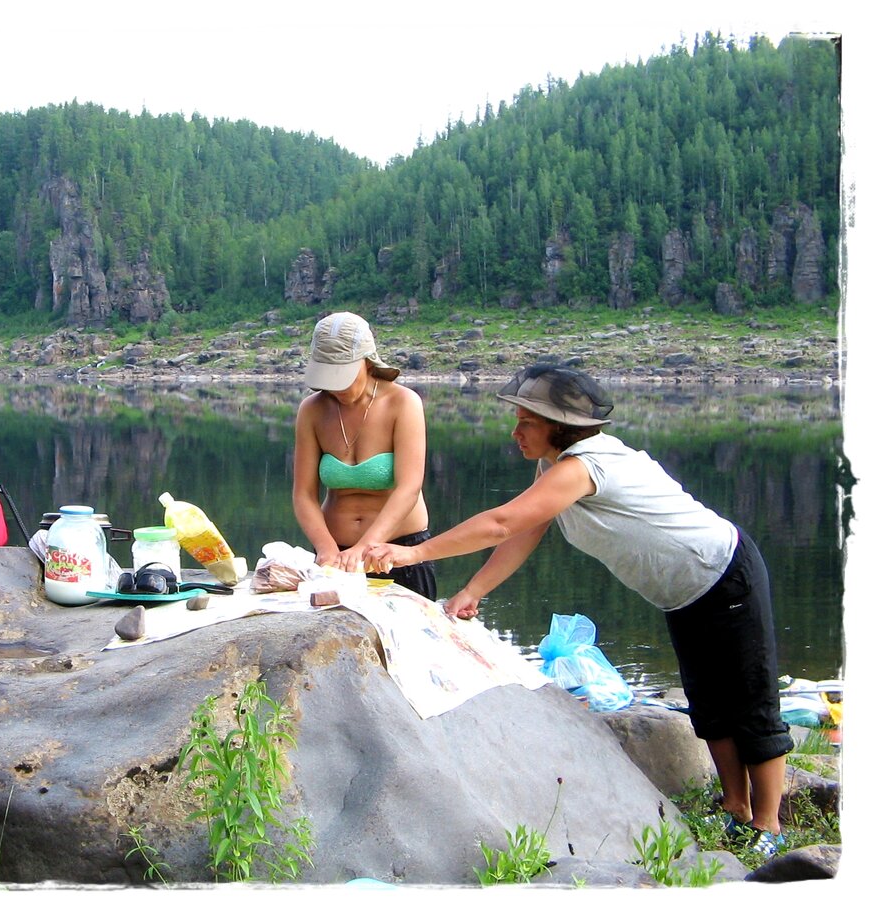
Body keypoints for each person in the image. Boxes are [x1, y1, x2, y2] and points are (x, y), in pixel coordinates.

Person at [365, 363, 793, 857]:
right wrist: (474, 590)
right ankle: (736, 810)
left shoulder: (585, 465)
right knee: (710, 703)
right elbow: (525, 530)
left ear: (558, 426)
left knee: (750, 700)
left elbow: (502, 522)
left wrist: (415, 552)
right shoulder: (554, 468)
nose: (515, 430)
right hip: (684, 592)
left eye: (527, 421)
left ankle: (769, 826)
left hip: (724, 573)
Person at [292, 312, 436, 599]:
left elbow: (409, 488)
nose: (336, 386)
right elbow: (303, 495)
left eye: (343, 374)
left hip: (396, 554)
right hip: (335, 558)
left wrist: (366, 547)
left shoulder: (403, 403)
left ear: (368, 360)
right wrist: (325, 548)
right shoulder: (312, 410)